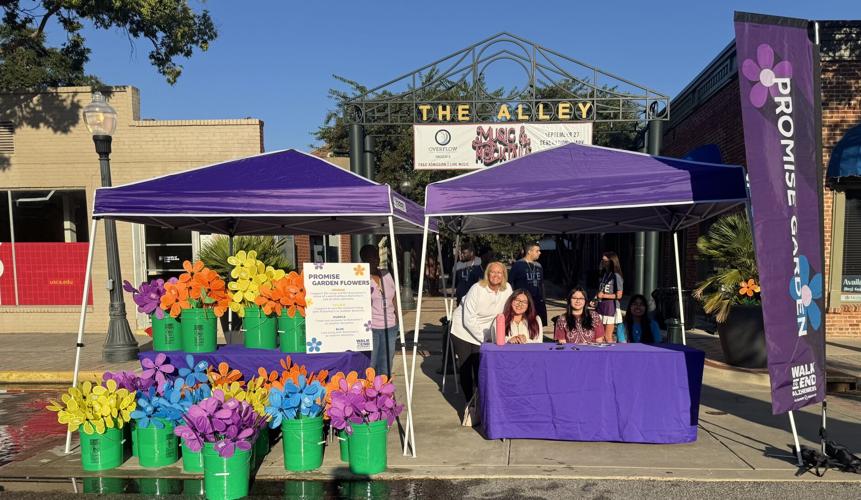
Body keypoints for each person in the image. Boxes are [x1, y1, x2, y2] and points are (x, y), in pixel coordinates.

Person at [450, 261, 512, 404]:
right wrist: (484, 339)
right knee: (466, 367)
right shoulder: (477, 289)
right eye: (492, 272)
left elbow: (507, 314)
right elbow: (468, 319)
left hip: (485, 333)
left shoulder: (507, 289)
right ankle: (470, 404)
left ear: (504, 275)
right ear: (487, 273)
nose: (495, 275)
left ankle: (481, 401)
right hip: (463, 331)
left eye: (499, 272)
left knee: (481, 368)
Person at [360, 244, 398, 377]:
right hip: (373, 328)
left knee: (386, 364)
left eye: (375, 257)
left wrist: (398, 319)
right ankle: (370, 394)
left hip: (391, 327)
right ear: (363, 260)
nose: (374, 260)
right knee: (371, 364)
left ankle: (384, 394)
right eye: (369, 258)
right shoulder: (362, 279)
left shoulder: (387, 274)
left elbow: (394, 297)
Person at [509, 242, 547, 326]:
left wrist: (543, 298)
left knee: (538, 324)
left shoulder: (539, 266)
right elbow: (510, 283)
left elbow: (542, 284)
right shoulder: (518, 265)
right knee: (524, 324)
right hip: (524, 302)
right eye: (537, 251)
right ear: (529, 251)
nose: (540, 253)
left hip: (537, 301)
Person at [595, 251, 623, 343]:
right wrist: (595, 298)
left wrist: (604, 295)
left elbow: (619, 295)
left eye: (605, 261)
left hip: (610, 307)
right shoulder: (604, 274)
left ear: (611, 261)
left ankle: (611, 356)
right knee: (600, 336)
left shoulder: (616, 276)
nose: (602, 263)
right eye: (602, 260)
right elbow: (601, 289)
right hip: (601, 305)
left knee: (608, 336)